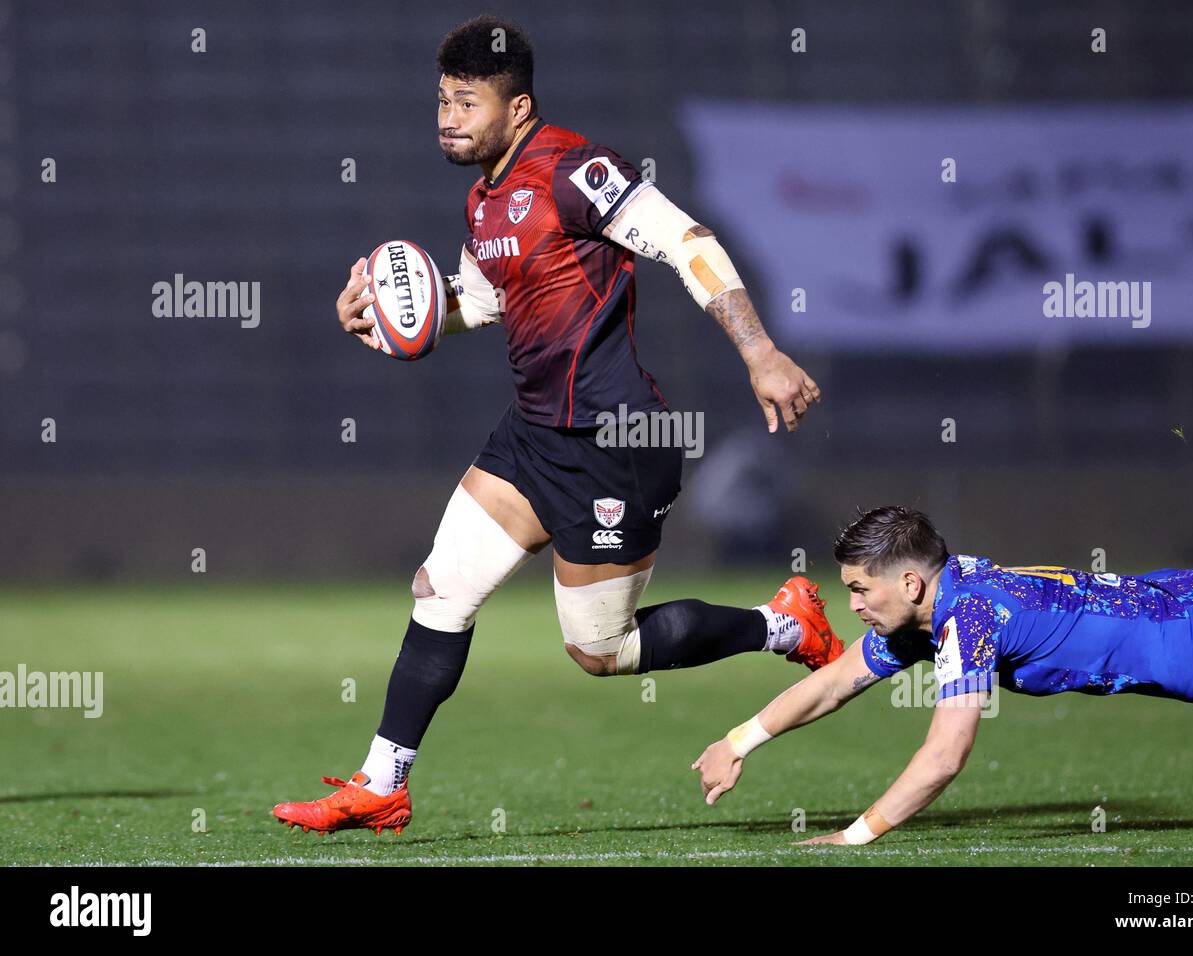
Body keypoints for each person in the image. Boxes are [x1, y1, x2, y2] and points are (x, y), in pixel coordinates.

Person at [272, 15, 841, 836]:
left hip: (617, 446)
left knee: (599, 652)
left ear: (519, 106)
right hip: (534, 435)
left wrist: (760, 351)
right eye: (441, 100)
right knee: (441, 587)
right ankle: (381, 782)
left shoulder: (577, 171)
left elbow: (688, 241)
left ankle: (785, 623)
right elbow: (479, 300)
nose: (447, 116)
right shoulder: (483, 199)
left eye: (466, 102)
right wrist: (392, 318)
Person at [693, 505, 1193, 846]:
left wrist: (856, 836)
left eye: (859, 589)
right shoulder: (943, 600)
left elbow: (944, 757)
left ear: (908, 583)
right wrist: (738, 741)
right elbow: (831, 682)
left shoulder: (969, 617)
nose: (852, 606)